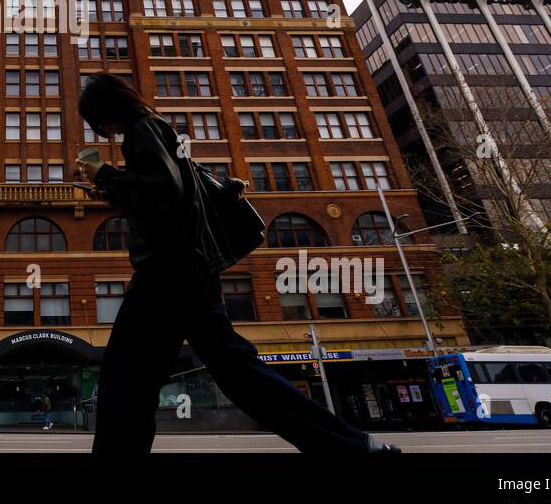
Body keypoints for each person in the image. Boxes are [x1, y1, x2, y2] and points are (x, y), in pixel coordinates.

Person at [76, 73, 399, 454]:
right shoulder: (156, 129)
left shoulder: (143, 131)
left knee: (126, 379)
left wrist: (105, 174)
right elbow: (168, 191)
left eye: (98, 122)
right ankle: (354, 447)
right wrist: (115, 185)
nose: (102, 131)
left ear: (107, 111)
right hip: (189, 272)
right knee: (235, 373)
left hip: (166, 276)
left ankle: (354, 446)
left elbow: (164, 197)